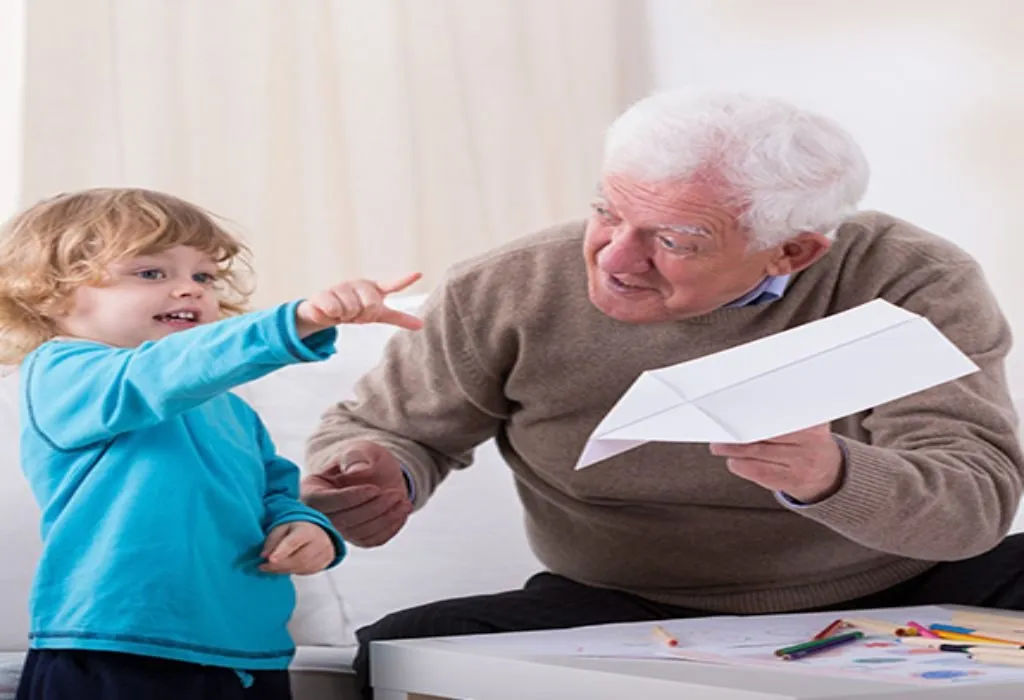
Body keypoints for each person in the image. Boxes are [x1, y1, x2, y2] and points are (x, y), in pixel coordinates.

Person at [301, 90, 1024, 698]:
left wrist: (830, 475)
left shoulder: (908, 280)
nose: (615, 258)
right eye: (608, 212)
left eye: (675, 240)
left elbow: (974, 507)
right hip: (621, 603)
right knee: (402, 649)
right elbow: (390, 431)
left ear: (794, 250)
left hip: (907, 584)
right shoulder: (508, 287)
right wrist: (378, 471)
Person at [0, 188, 424, 700]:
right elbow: (160, 374)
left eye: (203, 276)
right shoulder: (64, 375)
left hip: (246, 649)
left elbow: (274, 489)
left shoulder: (230, 409)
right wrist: (299, 321)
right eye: (152, 272)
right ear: (48, 292)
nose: (190, 290)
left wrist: (305, 527)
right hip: (114, 642)